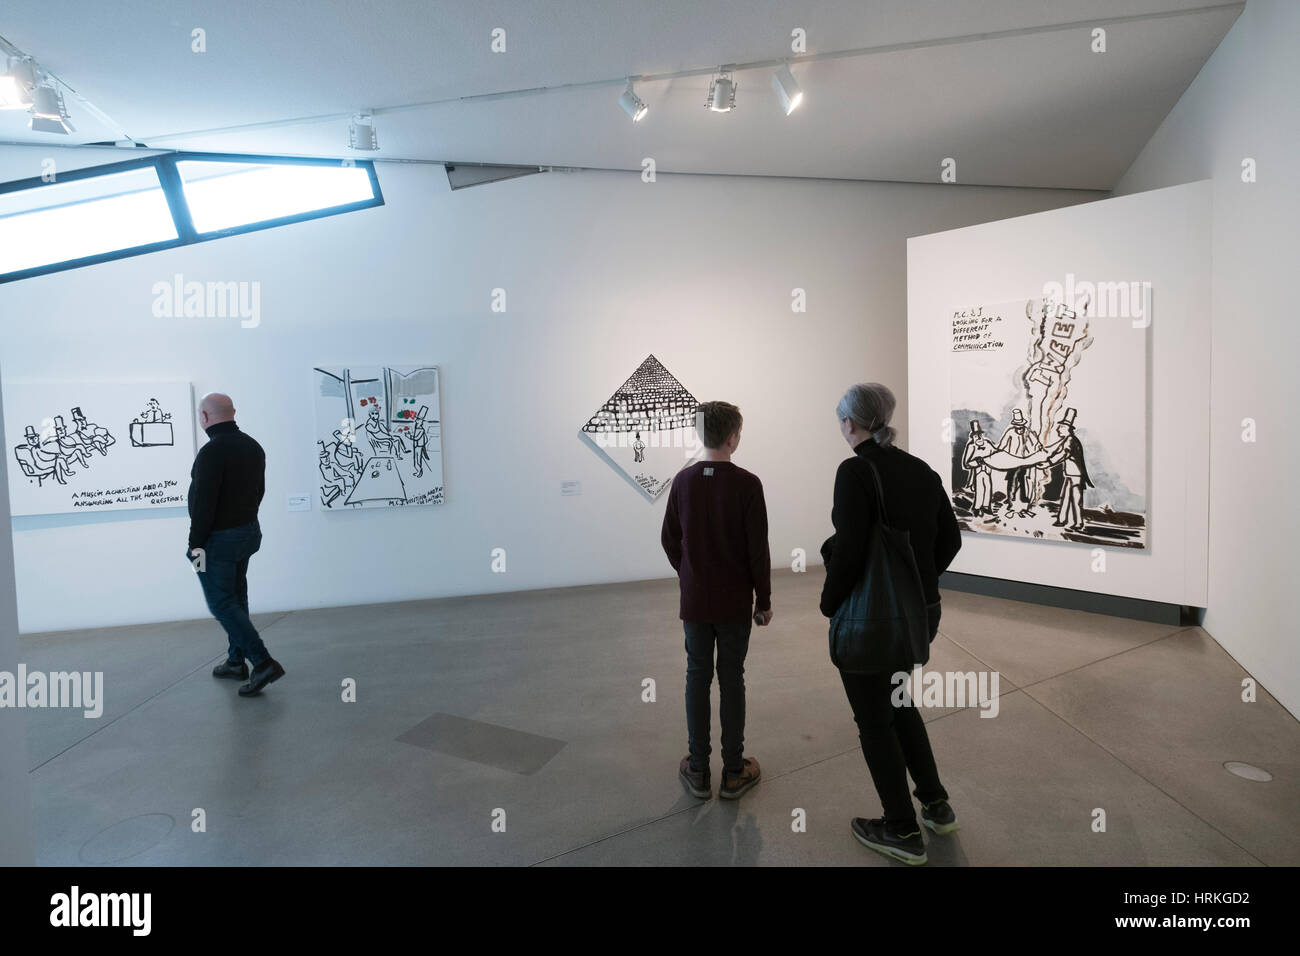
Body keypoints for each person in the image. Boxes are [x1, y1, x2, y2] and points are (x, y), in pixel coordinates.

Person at [820, 383, 962, 865]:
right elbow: (951, 541)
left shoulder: (855, 470)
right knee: (900, 704)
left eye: (842, 420)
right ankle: (936, 806)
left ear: (852, 423)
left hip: (872, 619)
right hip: (921, 613)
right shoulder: (920, 469)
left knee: (874, 720)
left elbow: (850, 549)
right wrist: (919, 582)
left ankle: (901, 829)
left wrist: (828, 601)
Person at [661, 401, 771, 801]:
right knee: (731, 679)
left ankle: (698, 769)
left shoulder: (684, 481)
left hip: (695, 601)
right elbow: (757, 549)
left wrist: (687, 572)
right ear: (732, 437)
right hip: (734, 602)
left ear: (699, 433)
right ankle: (734, 770)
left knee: (696, 675)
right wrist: (764, 599)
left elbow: (669, 538)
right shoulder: (747, 483)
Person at [187, 392, 285, 697]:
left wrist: (195, 546)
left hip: (217, 541)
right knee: (235, 597)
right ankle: (235, 661)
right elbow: (260, 491)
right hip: (246, 534)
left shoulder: (212, 452)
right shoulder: (252, 446)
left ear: (204, 417)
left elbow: (203, 504)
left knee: (221, 603)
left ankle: (262, 662)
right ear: (233, 412)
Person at [1045, 407, 1093, 531]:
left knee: (1076, 500)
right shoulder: (1068, 440)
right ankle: (1062, 520)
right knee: (1065, 498)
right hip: (1069, 475)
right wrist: (1048, 459)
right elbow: (1057, 452)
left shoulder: (1070, 441)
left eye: (1060, 427)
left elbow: (1062, 454)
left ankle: (1078, 523)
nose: (1058, 429)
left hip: (1076, 476)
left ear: (1067, 429)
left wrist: (1048, 462)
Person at [996, 408, 1043, 517]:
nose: (1019, 427)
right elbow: (1002, 444)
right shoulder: (1010, 431)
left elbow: (1035, 442)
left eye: (1020, 425)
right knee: (1011, 479)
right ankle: (1010, 498)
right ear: (1014, 425)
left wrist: (1039, 447)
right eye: (1017, 425)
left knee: (1022, 478)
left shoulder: (1027, 431)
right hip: (1012, 460)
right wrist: (997, 452)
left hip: (1023, 459)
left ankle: (1023, 496)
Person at [960, 420, 994, 516]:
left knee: (988, 487)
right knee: (980, 489)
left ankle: (986, 506)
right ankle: (977, 507)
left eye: (980, 435)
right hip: (978, 472)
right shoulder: (971, 446)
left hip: (988, 471)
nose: (978, 438)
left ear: (983, 435)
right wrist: (977, 462)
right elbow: (966, 464)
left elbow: (995, 452)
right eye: (976, 436)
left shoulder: (988, 444)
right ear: (973, 437)